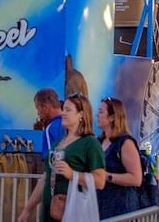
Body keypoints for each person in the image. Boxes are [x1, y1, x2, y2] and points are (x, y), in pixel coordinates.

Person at [18, 93, 105, 222]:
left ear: (81, 114)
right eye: (63, 109)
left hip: (72, 211)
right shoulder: (58, 142)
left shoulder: (90, 143)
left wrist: (72, 174)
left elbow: (100, 181)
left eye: (68, 110)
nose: (63, 113)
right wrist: (27, 209)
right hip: (50, 210)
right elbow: (46, 177)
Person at [96, 96, 142, 219]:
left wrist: (106, 176)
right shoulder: (98, 142)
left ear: (112, 117)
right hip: (101, 207)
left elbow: (136, 179)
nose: (97, 115)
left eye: (101, 112)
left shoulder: (125, 143)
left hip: (122, 209)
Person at [35, 89, 65, 157]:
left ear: (45, 107)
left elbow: (50, 160)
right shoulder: (73, 124)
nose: (38, 113)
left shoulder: (50, 129)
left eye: (38, 108)